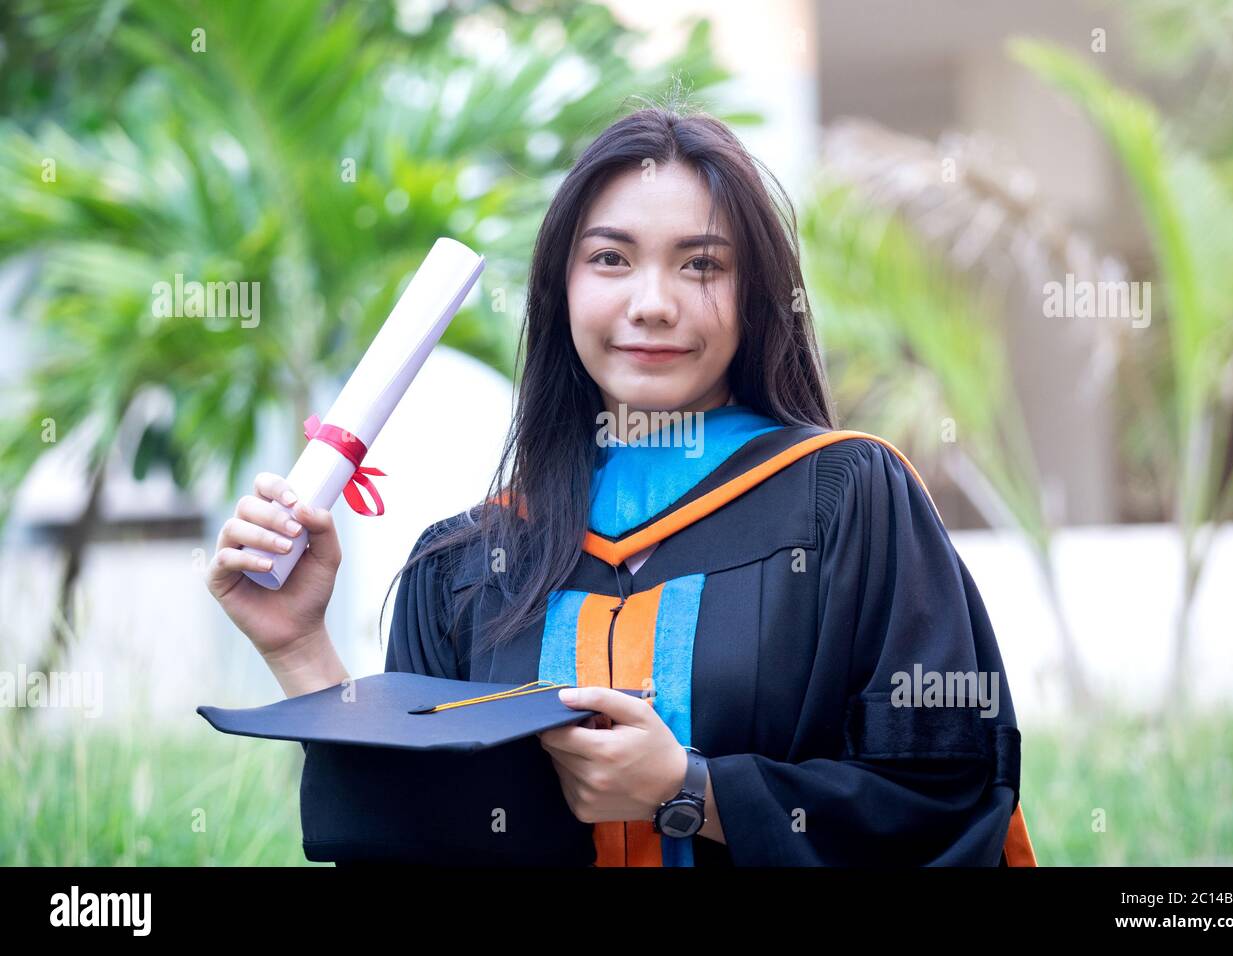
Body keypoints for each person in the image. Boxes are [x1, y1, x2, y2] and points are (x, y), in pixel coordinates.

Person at [206, 102, 1036, 867]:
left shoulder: (848, 500)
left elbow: (949, 806)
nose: (652, 303)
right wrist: (299, 650)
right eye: (610, 258)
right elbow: (407, 844)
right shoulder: (464, 565)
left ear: (755, 294)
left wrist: (695, 793)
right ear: (561, 289)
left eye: (700, 265)